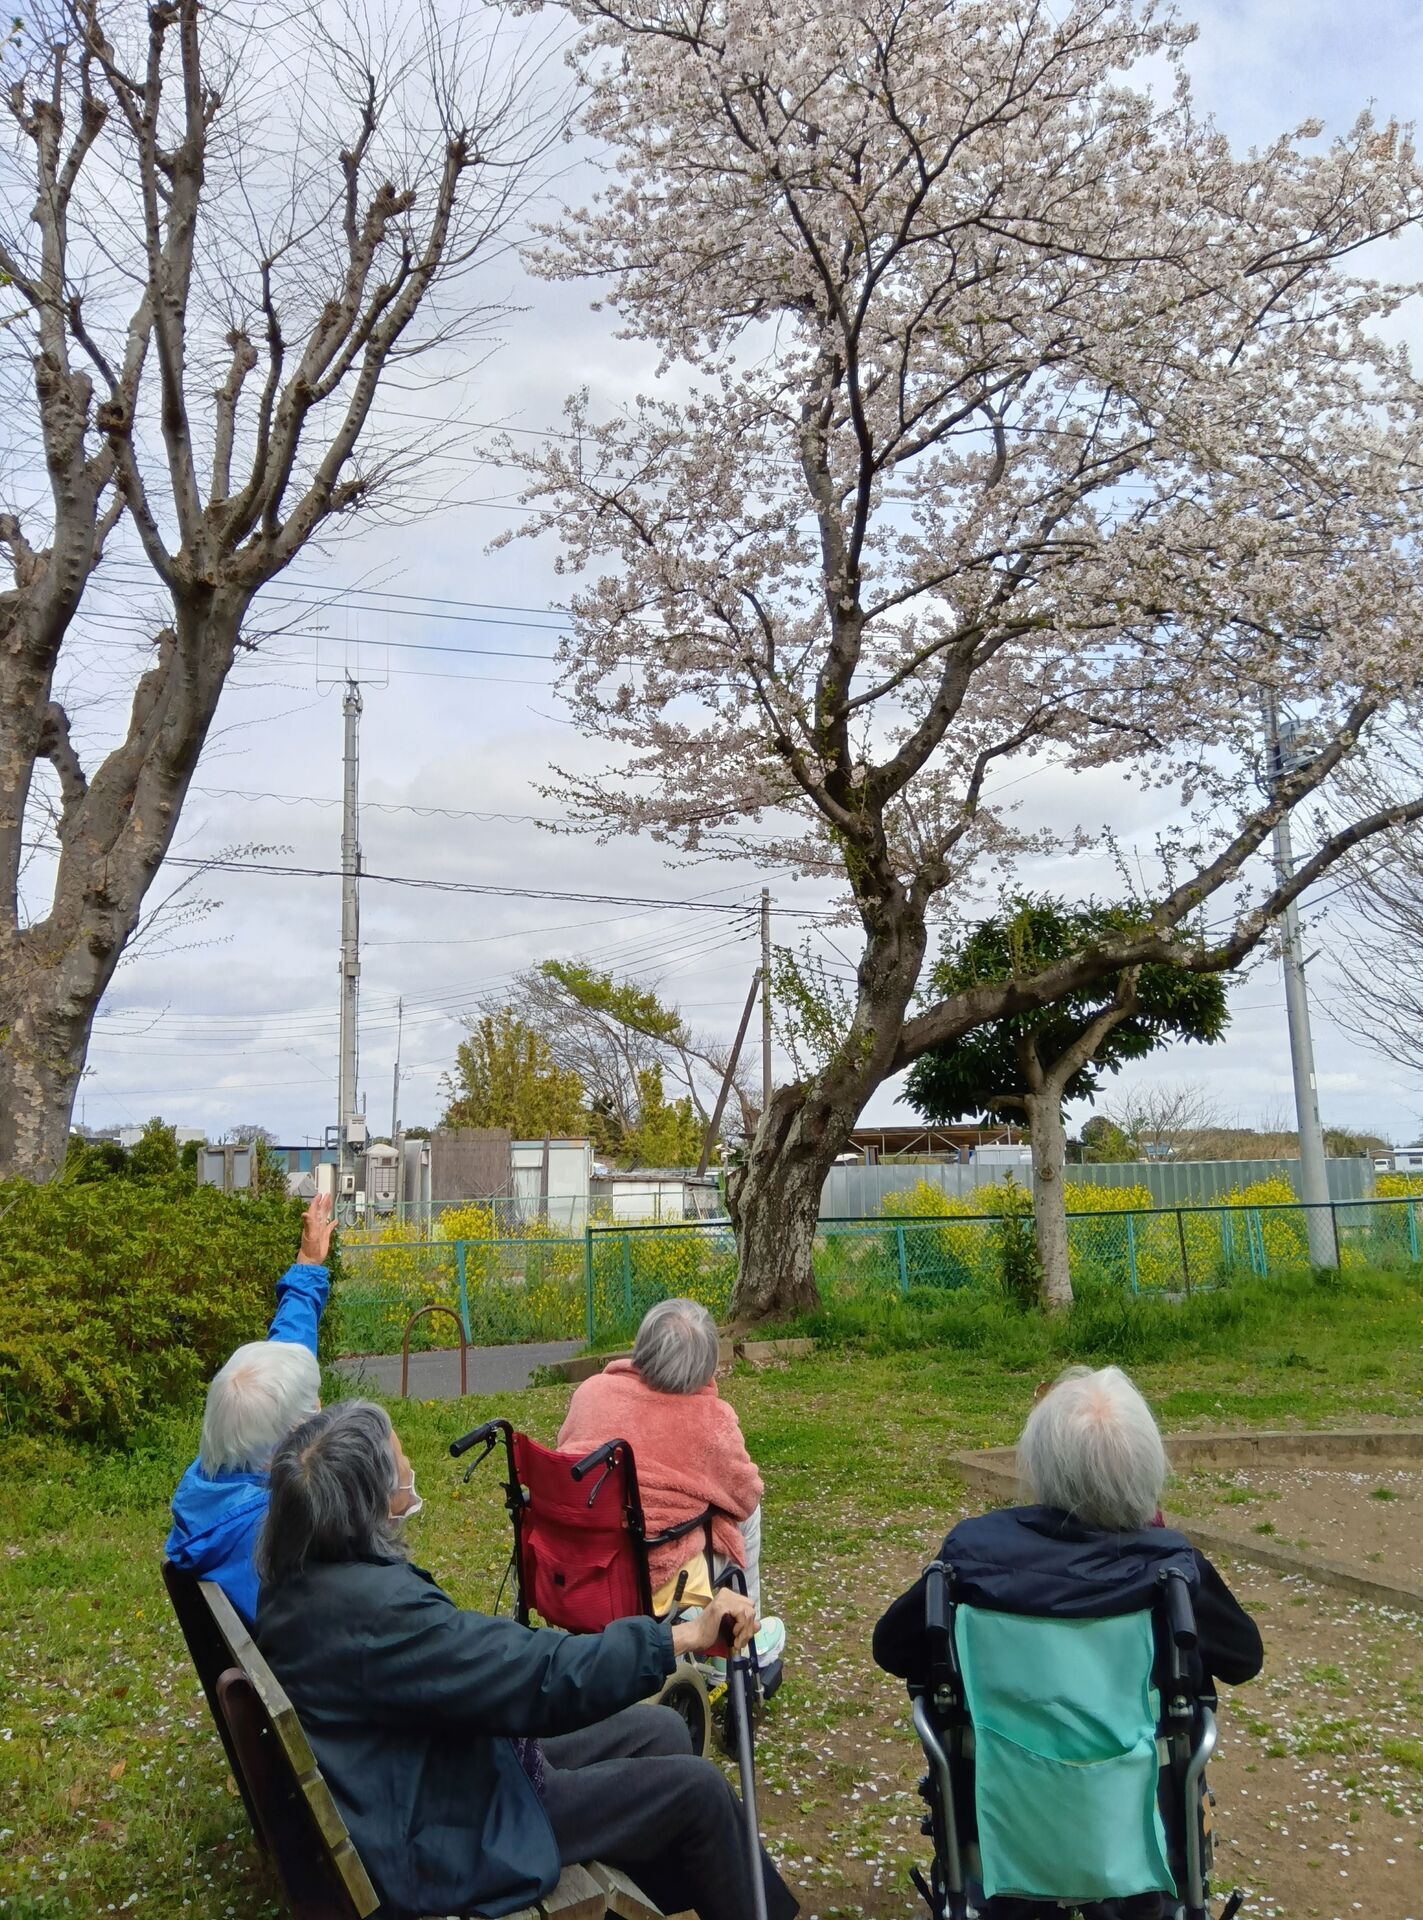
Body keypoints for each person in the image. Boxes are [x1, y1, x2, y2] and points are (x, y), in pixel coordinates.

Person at [255, 1399, 799, 1920]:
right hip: (447, 1832)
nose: (410, 1467)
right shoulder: (378, 1616)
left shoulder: (303, 1580)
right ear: (367, 1504)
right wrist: (680, 1637)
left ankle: (672, 1889)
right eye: (400, 1461)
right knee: (698, 1792)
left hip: (428, 1771)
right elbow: (537, 1675)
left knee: (660, 1728)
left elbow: (481, 1662)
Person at [874, 1365, 1263, 1920]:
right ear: (1147, 1470)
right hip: (1139, 1839)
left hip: (999, 1832)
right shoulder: (1172, 1572)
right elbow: (1244, 1660)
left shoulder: (972, 1560)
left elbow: (891, 1648)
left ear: (1041, 1465)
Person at [557, 1296, 786, 1663]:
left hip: (577, 1560)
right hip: (654, 1576)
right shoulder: (711, 1420)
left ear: (641, 1346)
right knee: (746, 1516)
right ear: (705, 1367)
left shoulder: (591, 1392)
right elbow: (745, 1496)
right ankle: (738, 1637)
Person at [165, 1192, 334, 1625]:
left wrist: (308, 1265)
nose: (322, 1412)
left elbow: (286, 1352)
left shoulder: (215, 1482)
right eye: (314, 1411)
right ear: (288, 1447)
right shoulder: (276, 1538)